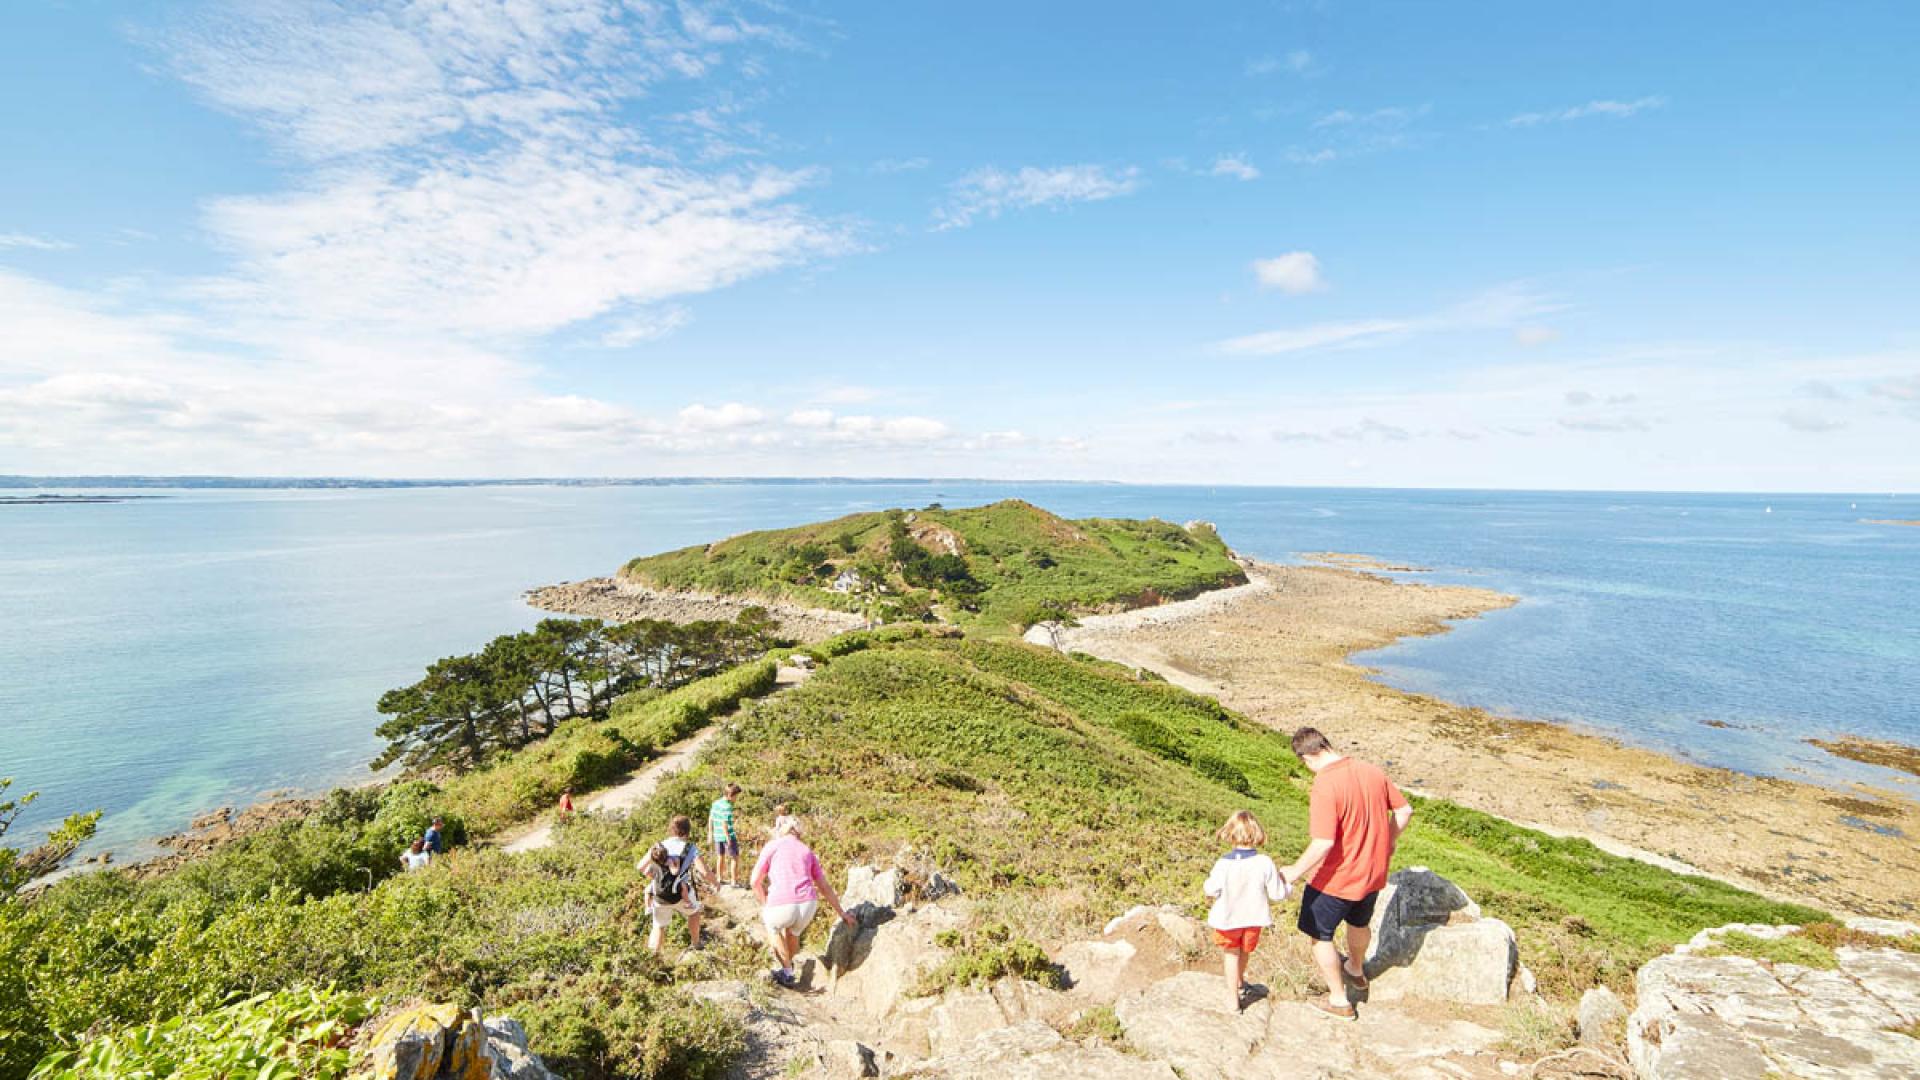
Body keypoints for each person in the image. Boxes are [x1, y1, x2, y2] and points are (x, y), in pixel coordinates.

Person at [1278, 727, 1412, 1020]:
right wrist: (1388, 841)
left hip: (1338, 876)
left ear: (1308, 757)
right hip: (1373, 871)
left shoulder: (1325, 784)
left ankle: (1339, 1001)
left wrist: (1293, 872)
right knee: (1359, 921)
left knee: (1319, 935)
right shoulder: (1371, 770)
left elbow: (1323, 842)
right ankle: (1355, 968)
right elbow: (1405, 811)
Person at [751, 814, 855, 989]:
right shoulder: (807, 851)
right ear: (799, 833)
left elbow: (755, 881)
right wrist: (842, 913)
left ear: (781, 831)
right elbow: (824, 886)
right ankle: (788, 969)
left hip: (781, 903)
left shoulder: (772, 846)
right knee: (793, 933)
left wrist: (764, 902)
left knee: (773, 927)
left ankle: (787, 971)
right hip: (808, 904)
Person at [1204, 810, 1289, 1013]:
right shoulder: (1264, 862)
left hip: (1227, 918)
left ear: (1229, 833)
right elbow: (1277, 894)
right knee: (1245, 951)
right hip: (1254, 918)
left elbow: (1210, 889)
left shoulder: (1223, 862)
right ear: (1257, 834)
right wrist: (1288, 886)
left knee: (1231, 954)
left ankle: (1233, 999)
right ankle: (1241, 983)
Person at [641, 815, 717, 954]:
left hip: (659, 894)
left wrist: (656, 876)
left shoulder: (659, 845)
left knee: (659, 926)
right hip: (680, 893)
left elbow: (641, 866)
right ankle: (696, 944)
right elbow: (704, 871)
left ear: (671, 830)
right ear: (688, 831)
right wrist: (716, 883)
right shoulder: (690, 848)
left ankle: (653, 957)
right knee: (694, 913)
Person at [709, 783, 742, 887]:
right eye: (736, 796)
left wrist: (710, 833)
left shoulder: (716, 803)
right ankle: (734, 882)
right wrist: (728, 838)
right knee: (734, 858)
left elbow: (711, 818)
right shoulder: (727, 807)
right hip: (728, 836)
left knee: (720, 856)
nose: (736, 799)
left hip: (717, 835)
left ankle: (719, 878)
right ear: (730, 795)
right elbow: (725, 823)